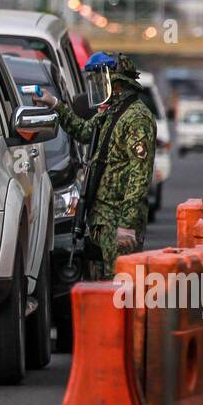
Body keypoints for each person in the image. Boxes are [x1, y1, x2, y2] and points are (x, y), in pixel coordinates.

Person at [33, 51, 156, 280]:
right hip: (101, 217)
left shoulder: (137, 118)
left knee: (119, 280)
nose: (96, 86)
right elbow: (83, 131)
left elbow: (140, 174)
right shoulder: (109, 113)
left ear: (117, 83)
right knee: (101, 282)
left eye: (101, 80)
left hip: (119, 217)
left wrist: (127, 224)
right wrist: (55, 105)